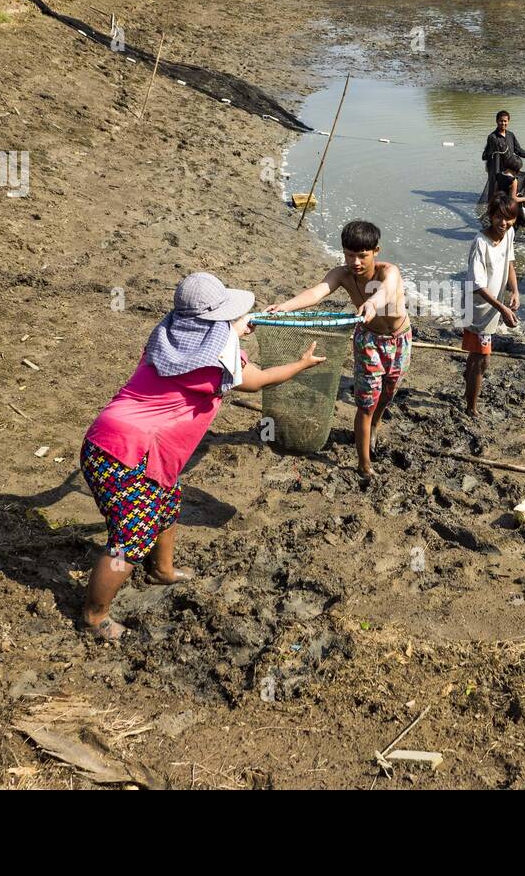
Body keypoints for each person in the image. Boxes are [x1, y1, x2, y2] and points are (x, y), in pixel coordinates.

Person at [81, 272, 324, 641]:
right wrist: (301, 364)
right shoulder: (215, 361)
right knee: (128, 541)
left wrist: (234, 328)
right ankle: (95, 617)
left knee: (166, 503)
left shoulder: (166, 334)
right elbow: (258, 380)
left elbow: (211, 337)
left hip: (107, 440)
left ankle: (162, 569)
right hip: (130, 455)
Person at [266, 220, 410, 478]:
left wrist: (372, 304)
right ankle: (364, 464)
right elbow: (316, 292)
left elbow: (386, 291)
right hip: (368, 340)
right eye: (349, 254)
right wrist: (283, 307)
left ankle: (375, 424)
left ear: (376, 251)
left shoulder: (389, 271)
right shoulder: (342, 274)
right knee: (366, 403)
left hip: (400, 339)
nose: (355, 262)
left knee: (387, 394)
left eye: (362, 256)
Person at [463, 192, 520, 416]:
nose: (503, 223)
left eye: (508, 218)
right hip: (477, 309)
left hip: (494, 307)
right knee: (482, 360)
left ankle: (468, 382)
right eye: (498, 217)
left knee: (476, 356)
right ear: (490, 216)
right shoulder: (480, 242)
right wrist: (502, 308)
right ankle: (471, 408)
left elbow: (510, 263)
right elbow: (476, 285)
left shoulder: (508, 233)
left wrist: (515, 291)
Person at [482, 110, 525, 200]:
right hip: (497, 168)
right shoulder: (492, 137)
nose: (503, 123)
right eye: (501, 121)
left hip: (510, 168)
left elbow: (517, 149)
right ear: (497, 121)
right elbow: (487, 154)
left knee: (510, 189)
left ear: (508, 121)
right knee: (495, 190)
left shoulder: (510, 135)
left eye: (505, 121)